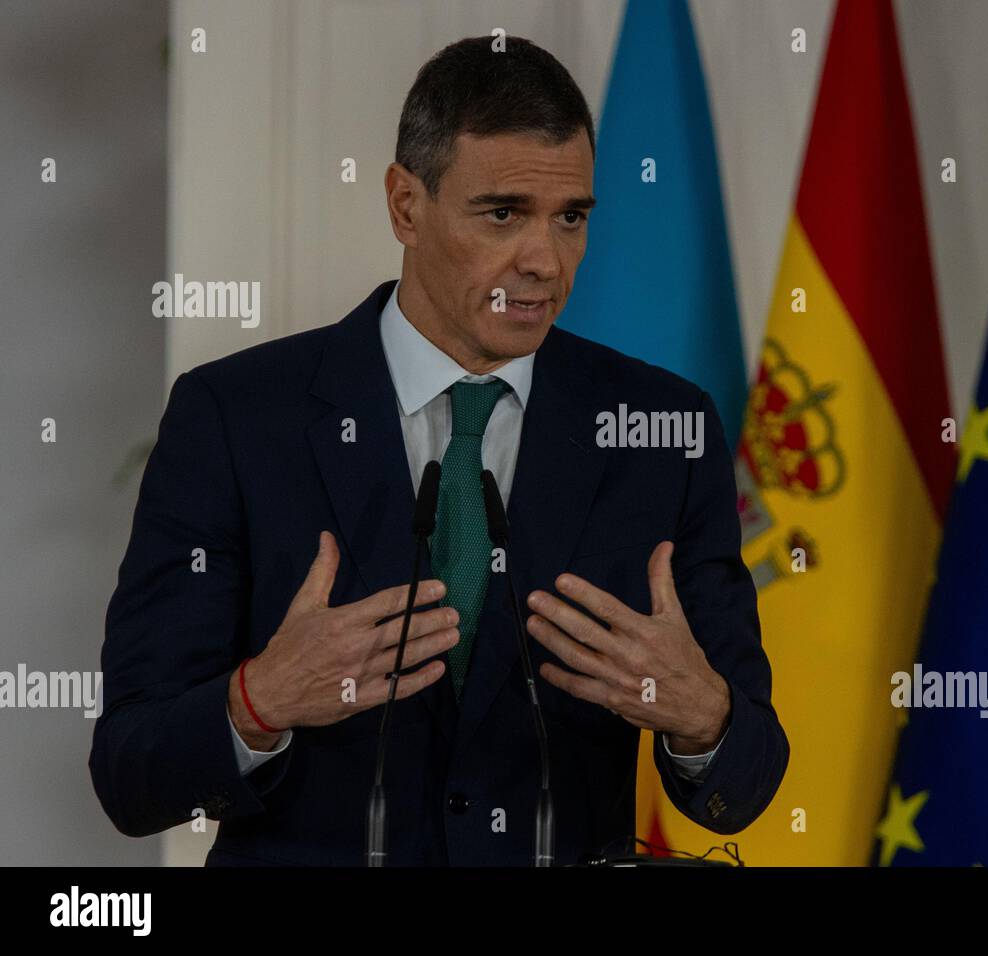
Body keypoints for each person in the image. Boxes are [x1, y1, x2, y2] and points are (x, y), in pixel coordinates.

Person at [91, 35, 788, 866]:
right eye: (503, 214)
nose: (544, 261)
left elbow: (743, 786)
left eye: (571, 218)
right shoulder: (237, 418)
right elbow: (131, 777)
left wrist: (702, 715)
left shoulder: (664, 430)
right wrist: (260, 698)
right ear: (404, 205)